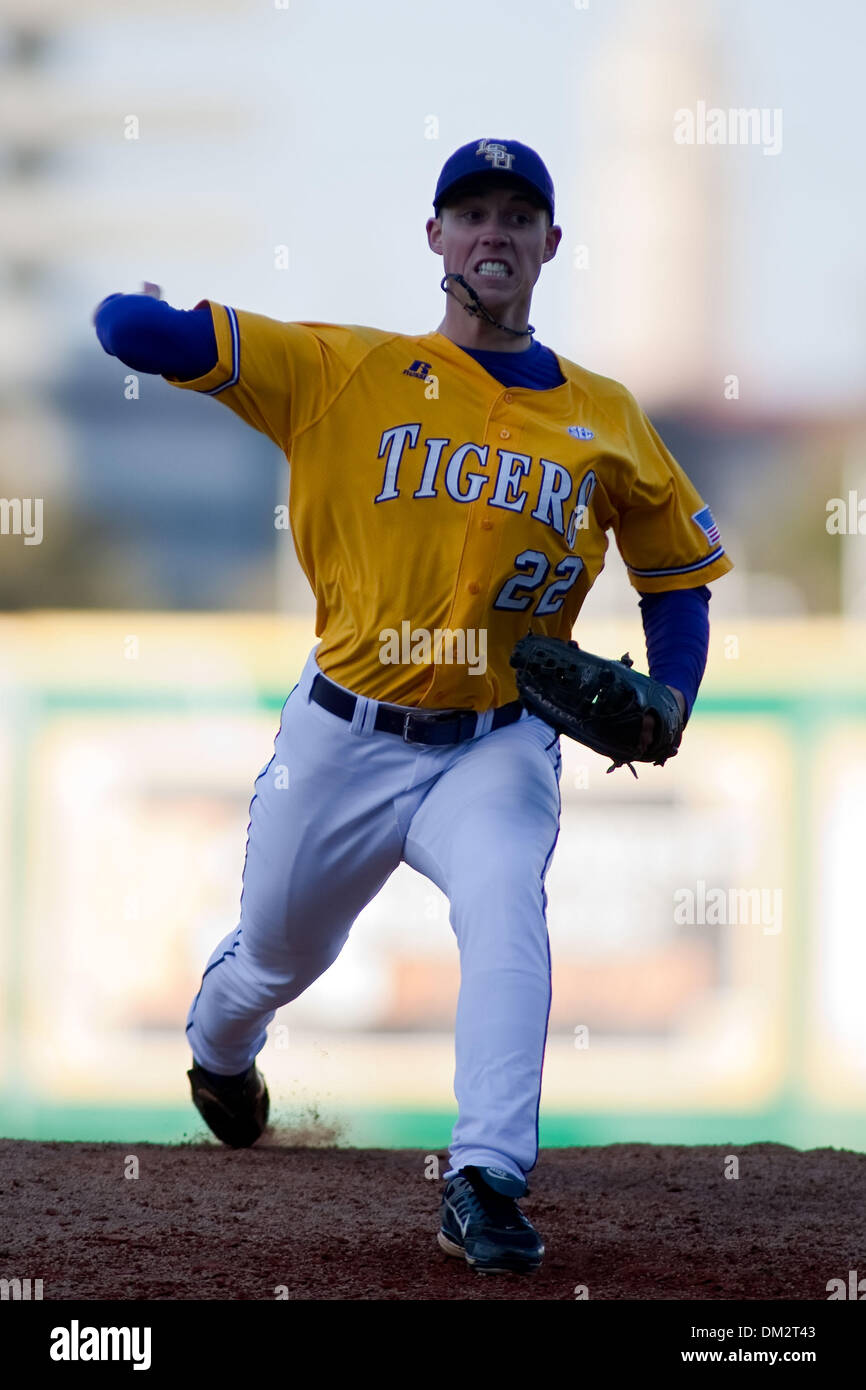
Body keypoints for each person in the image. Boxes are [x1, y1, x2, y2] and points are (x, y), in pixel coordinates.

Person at [93, 137, 732, 1276]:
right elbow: (125, 331)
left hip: (494, 742)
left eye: (516, 214)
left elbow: (675, 577)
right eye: (470, 211)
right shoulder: (342, 369)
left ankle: (483, 1175)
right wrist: (149, 318)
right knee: (275, 960)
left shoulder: (606, 416)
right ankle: (220, 1048)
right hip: (341, 736)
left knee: (504, 908)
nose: (493, 230)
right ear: (433, 237)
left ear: (548, 244)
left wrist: (671, 694)